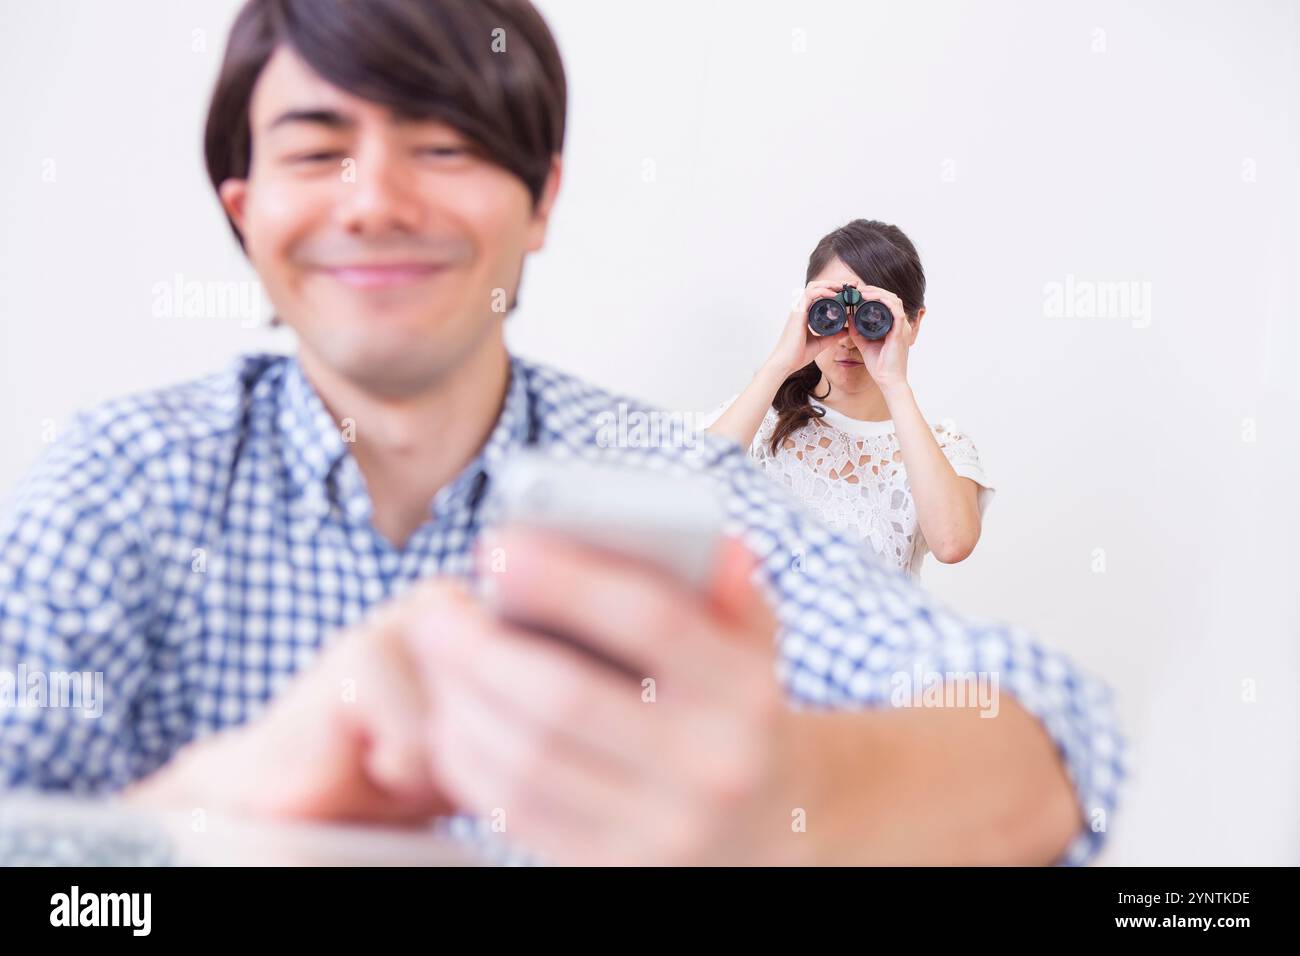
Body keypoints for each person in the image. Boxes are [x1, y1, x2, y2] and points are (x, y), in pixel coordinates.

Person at [0, 0, 1123, 865]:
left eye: (444, 145)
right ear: (244, 206)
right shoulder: (115, 482)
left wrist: (784, 785)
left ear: (541, 199)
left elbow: (1051, 737)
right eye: (314, 146)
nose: (376, 198)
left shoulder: (648, 476)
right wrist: (224, 799)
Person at [706, 220, 992, 579]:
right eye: (832, 312)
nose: (849, 338)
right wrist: (779, 363)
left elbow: (952, 544)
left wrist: (895, 383)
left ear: (914, 324)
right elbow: (682, 491)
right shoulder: (757, 422)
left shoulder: (943, 446)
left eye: (873, 316)